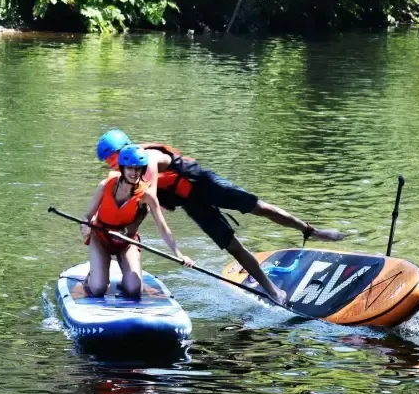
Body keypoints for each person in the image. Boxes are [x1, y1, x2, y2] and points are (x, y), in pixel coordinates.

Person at [95, 130, 344, 305]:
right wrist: (127, 230)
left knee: (260, 208)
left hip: (205, 184)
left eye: (115, 157)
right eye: (109, 161)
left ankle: (309, 230)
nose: (114, 164)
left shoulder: (146, 158)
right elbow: (144, 206)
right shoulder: (128, 171)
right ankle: (272, 290)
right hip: (191, 203)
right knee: (232, 246)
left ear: (125, 149)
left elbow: (149, 192)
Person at [81, 143, 194, 298]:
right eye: (130, 168)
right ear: (122, 168)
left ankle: (125, 278)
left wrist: (179, 254)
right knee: (99, 289)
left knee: (134, 291)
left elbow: (163, 228)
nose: (134, 173)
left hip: (126, 240)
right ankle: (91, 278)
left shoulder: (146, 194)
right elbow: (87, 216)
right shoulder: (105, 185)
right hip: (101, 238)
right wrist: (85, 227)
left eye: (138, 168)